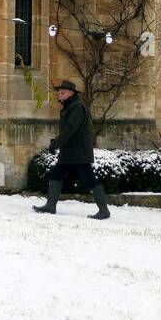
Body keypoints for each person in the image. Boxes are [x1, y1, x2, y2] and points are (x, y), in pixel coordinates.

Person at [32, 79, 110, 219]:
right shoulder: (70, 106)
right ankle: (50, 206)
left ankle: (104, 210)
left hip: (78, 152)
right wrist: (58, 143)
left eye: (62, 93)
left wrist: (56, 143)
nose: (59, 95)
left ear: (71, 93)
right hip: (70, 151)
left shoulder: (77, 107)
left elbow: (70, 129)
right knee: (57, 174)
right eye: (59, 93)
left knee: (89, 178)